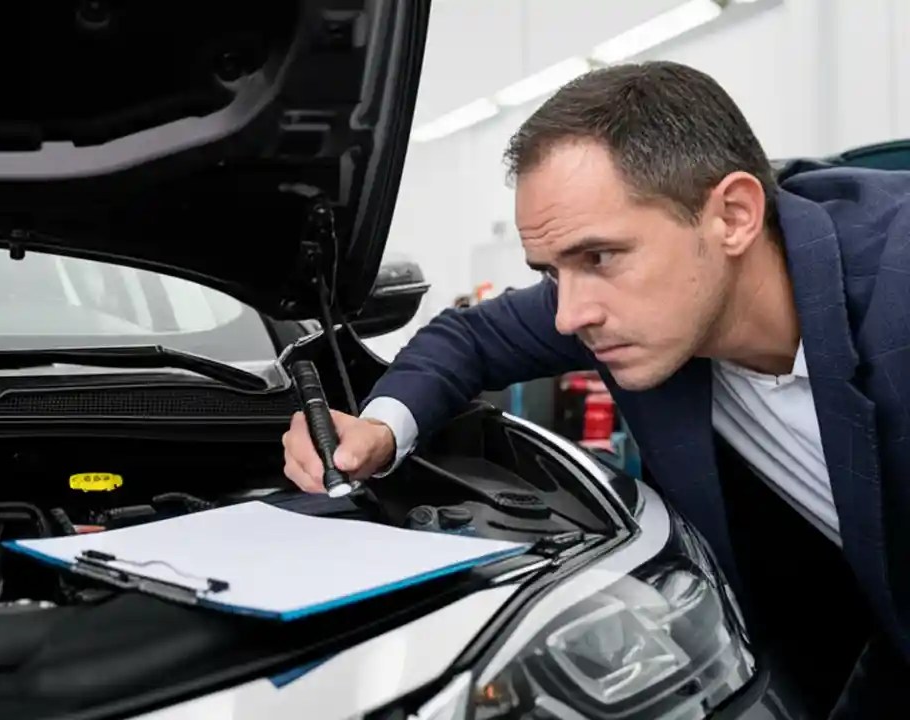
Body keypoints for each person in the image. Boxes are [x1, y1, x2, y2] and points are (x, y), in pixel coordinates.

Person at [280, 60, 910, 717]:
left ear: (733, 216)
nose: (567, 316)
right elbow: (468, 338)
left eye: (599, 257)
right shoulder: (639, 300)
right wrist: (380, 430)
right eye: (552, 272)